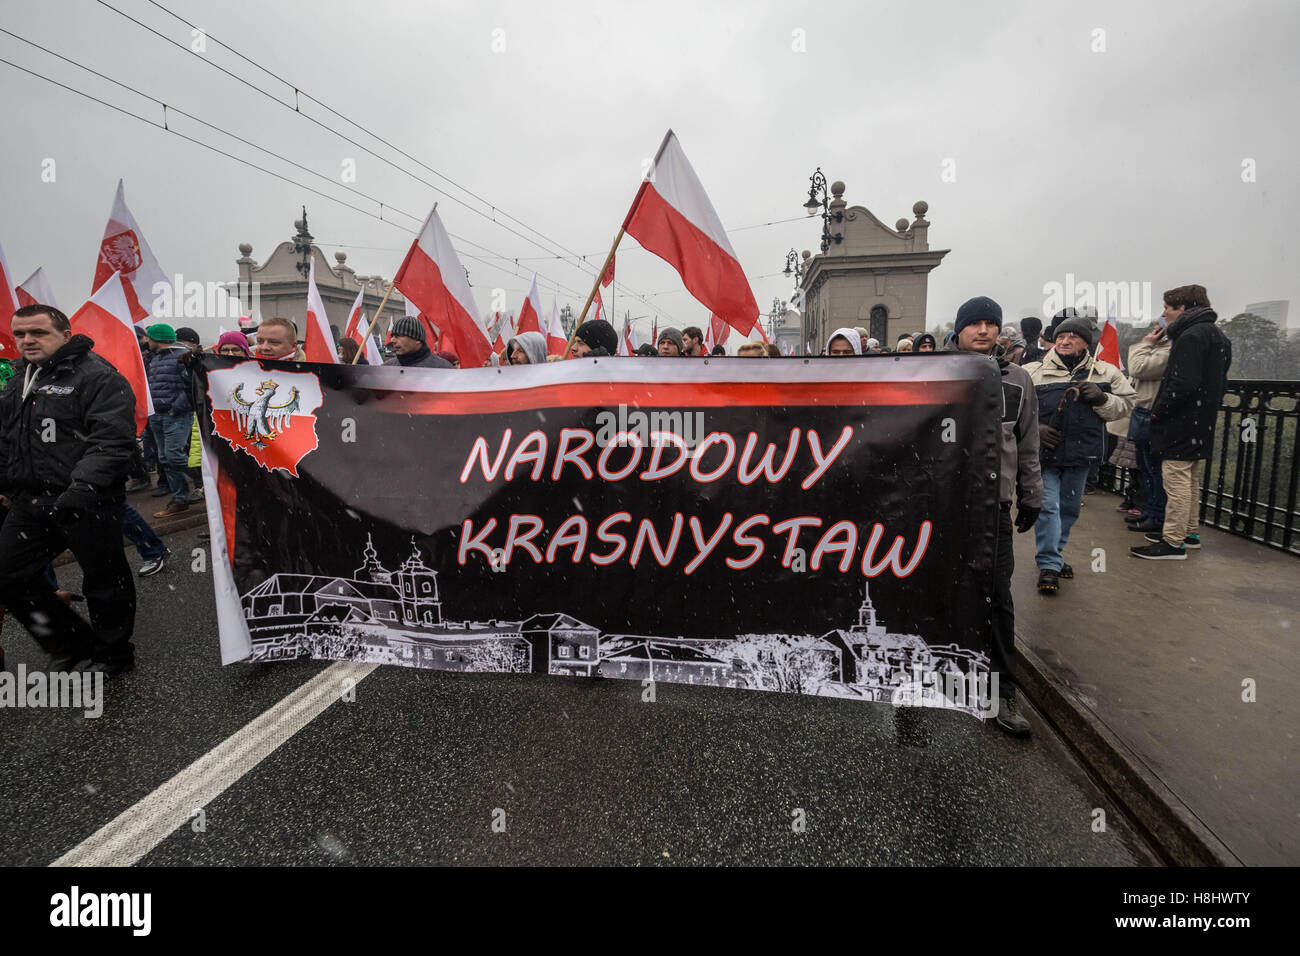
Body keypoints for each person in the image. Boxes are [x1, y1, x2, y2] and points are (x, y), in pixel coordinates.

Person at [0, 305, 138, 674]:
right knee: (8, 574)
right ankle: (73, 644)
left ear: (64, 333)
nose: (27, 340)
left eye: (38, 333)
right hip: (29, 500)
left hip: (87, 500)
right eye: (21, 334)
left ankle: (114, 654)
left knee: (104, 580)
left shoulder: (97, 376)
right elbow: (8, 437)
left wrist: (82, 488)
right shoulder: (20, 378)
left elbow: (112, 440)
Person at [951, 296, 1042, 736]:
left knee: (997, 600)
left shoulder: (1019, 380)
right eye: (975, 324)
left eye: (991, 324)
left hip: (992, 508)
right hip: (939, 506)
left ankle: (1001, 690)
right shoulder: (934, 371)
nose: (983, 331)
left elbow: (1027, 445)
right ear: (960, 329)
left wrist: (1032, 495)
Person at [1023, 314, 1136, 592]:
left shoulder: (1106, 372)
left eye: (1072, 337)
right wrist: (1035, 429)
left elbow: (1128, 405)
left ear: (1086, 342)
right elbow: (1017, 410)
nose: (1065, 341)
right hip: (1044, 455)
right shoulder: (1032, 371)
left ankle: (1054, 554)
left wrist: (1101, 398)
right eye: (1061, 336)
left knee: (1069, 509)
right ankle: (1049, 564)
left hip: (1081, 454)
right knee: (1048, 507)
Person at [1131, 285, 1232, 560]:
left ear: (1183, 308)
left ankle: (1173, 542)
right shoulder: (1218, 337)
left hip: (1181, 421)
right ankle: (1189, 533)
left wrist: (1158, 411)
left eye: (1168, 308)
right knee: (1189, 479)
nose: (1164, 313)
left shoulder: (1190, 337)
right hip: (1201, 420)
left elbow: (1182, 382)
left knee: (1175, 479)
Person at [1122, 322, 1173, 533]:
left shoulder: (1170, 349)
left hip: (1151, 411)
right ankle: (1151, 511)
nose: (1153, 329)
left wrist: (1145, 344)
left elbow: (1137, 368)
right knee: (1146, 467)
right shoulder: (1161, 348)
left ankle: (1157, 516)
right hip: (1144, 409)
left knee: (1154, 469)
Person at [143, 323, 196, 519]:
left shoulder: (182, 357)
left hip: (176, 415)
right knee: (165, 459)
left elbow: (190, 386)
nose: (146, 341)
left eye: (149, 337)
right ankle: (180, 499)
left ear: (156, 338)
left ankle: (206, 481)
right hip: (157, 415)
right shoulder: (153, 358)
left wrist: (176, 409)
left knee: (174, 456)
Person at [383, 316, 452, 369]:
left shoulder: (442, 368)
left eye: (399, 336)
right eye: (392, 336)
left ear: (417, 339)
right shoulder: (386, 368)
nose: (392, 340)